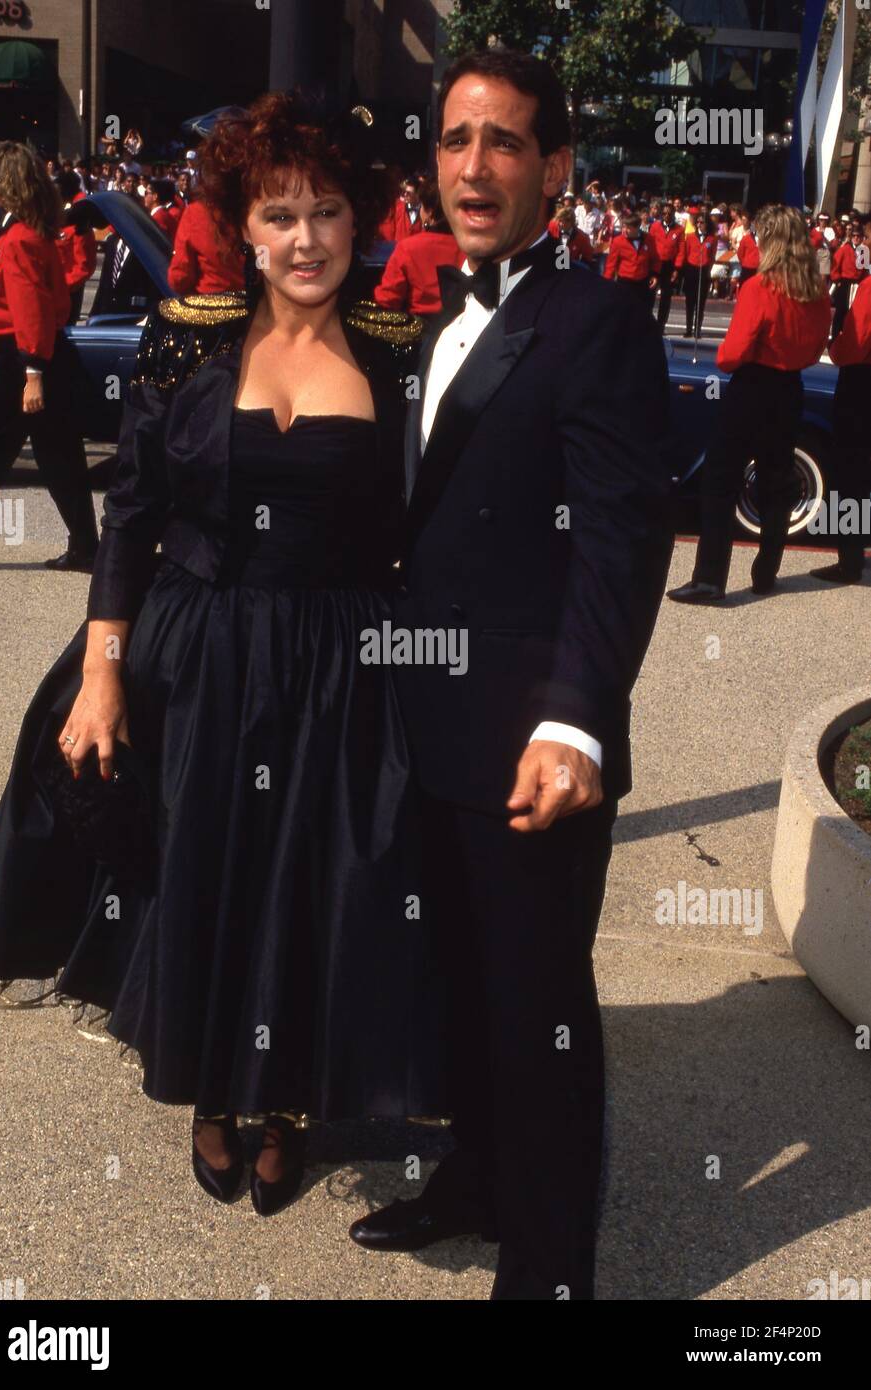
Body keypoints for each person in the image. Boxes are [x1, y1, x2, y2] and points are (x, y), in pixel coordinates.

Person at [0, 92, 445, 1215]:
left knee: (303, 882)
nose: (307, 237)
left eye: (328, 210)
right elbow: (130, 515)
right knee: (202, 870)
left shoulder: (397, 352)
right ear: (245, 223)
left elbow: (433, 532)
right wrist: (99, 670)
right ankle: (213, 1092)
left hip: (336, 664)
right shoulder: (187, 335)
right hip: (198, 652)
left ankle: (283, 1106)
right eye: (281, 213)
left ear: (360, 218)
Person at [348, 46, 673, 1301]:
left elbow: (619, 532)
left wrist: (580, 722)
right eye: (453, 138)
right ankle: (474, 1183)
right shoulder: (441, 316)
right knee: (460, 983)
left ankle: (549, 1270)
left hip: (531, 742)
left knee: (539, 1010)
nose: (472, 164)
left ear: (553, 166)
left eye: (502, 141)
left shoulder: (596, 319)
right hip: (431, 721)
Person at [668, 205, 831, 605]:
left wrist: (731, 355)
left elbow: (730, 355)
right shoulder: (817, 293)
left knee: (720, 481)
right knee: (778, 482)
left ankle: (709, 578)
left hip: (751, 388)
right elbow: (815, 349)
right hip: (789, 387)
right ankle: (766, 572)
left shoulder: (760, 287)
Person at [0, 141, 99, 570]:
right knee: (60, 455)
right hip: (26, 355)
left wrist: (31, 369)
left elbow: (32, 309)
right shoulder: (29, 235)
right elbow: (34, 305)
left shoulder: (18, 240)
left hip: (25, 361)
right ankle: (86, 546)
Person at [813, 255, 871, 583]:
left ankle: (850, 560)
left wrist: (835, 349)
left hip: (862, 383)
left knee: (851, 475)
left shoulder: (869, 287)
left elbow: (855, 344)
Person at [373, 177, 459, 315]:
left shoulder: (407, 248)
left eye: (422, 206)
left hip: (421, 330)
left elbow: (387, 299)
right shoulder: (470, 249)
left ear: (429, 211)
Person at [167, 193, 244, 295]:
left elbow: (179, 278)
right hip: (260, 304)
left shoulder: (196, 212)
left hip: (210, 303)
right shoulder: (257, 209)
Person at [54, 168, 97, 325]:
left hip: (68, 291)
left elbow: (84, 265)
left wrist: (64, 285)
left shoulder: (78, 221)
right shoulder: (57, 214)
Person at [603, 208, 659, 307]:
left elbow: (655, 259)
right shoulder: (618, 241)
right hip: (625, 282)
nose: (624, 230)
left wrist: (654, 274)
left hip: (643, 282)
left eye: (628, 228)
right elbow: (611, 264)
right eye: (623, 227)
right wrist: (606, 283)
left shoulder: (649, 239)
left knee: (642, 312)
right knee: (624, 311)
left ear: (637, 227)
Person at [675, 209, 716, 337]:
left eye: (702, 222)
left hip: (704, 270)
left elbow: (712, 256)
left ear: (707, 224)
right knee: (690, 301)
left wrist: (707, 268)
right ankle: (688, 328)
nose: (699, 224)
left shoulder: (712, 239)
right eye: (697, 222)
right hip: (691, 269)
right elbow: (686, 253)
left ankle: (697, 329)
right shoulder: (691, 237)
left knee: (700, 302)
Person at [830, 221, 868, 339]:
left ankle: (847, 335)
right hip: (844, 283)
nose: (856, 238)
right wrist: (837, 280)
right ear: (851, 237)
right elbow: (834, 265)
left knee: (852, 312)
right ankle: (835, 335)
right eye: (854, 236)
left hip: (857, 285)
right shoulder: (844, 249)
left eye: (858, 236)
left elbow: (865, 270)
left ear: (862, 238)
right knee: (841, 310)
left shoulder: (863, 251)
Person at [649, 200, 683, 332]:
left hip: (669, 265)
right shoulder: (655, 227)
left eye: (669, 214)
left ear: (673, 214)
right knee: (650, 295)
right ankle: (648, 322)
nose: (666, 216)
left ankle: (661, 324)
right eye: (664, 213)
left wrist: (677, 268)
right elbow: (650, 245)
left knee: (666, 296)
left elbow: (681, 250)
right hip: (655, 264)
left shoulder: (679, 230)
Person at [547, 201, 595, 267]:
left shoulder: (583, 237)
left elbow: (587, 258)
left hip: (570, 267)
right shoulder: (552, 225)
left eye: (564, 222)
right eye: (559, 220)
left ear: (571, 223)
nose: (560, 224)